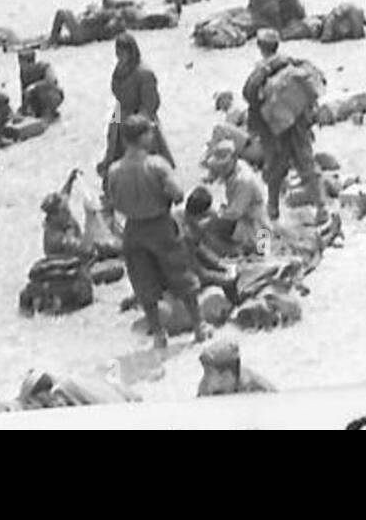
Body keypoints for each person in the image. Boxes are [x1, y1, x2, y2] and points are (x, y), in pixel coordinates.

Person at [105, 115, 206, 351]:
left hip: (133, 229)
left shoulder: (115, 170)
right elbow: (178, 194)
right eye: (149, 133)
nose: (153, 136)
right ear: (141, 137)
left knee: (144, 283)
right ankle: (199, 326)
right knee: (181, 274)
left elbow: (113, 202)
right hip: (160, 225)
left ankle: (159, 335)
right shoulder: (157, 164)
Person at [242, 29, 324, 222]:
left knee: (275, 169)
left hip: (274, 129)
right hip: (298, 123)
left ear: (260, 47)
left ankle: (272, 211)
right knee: (307, 164)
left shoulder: (261, 70)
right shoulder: (291, 63)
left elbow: (249, 95)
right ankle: (322, 208)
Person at [99, 34, 175, 189]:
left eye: (123, 51)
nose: (120, 55)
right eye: (118, 51)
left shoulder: (144, 73)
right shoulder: (119, 70)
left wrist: (136, 125)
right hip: (121, 113)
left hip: (141, 119)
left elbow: (150, 103)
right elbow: (118, 96)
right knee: (113, 148)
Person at [202, 140, 270, 253]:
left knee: (211, 232)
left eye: (223, 166)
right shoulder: (238, 166)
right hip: (246, 216)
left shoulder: (243, 181)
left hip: (257, 226)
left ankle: (238, 251)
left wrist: (213, 218)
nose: (220, 169)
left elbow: (234, 213)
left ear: (233, 160)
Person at [197, 340, 275, 396]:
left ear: (231, 374)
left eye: (210, 373)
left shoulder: (256, 388)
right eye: (206, 373)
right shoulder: (205, 387)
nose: (208, 381)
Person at [18, 49, 63, 121]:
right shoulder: (23, 73)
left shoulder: (45, 67)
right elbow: (24, 91)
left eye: (23, 63)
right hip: (36, 98)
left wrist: (34, 86)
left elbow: (51, 81)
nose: (21, 66)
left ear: (31, 62)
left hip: (52, 94)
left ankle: (49, 112)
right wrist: (24, 109)